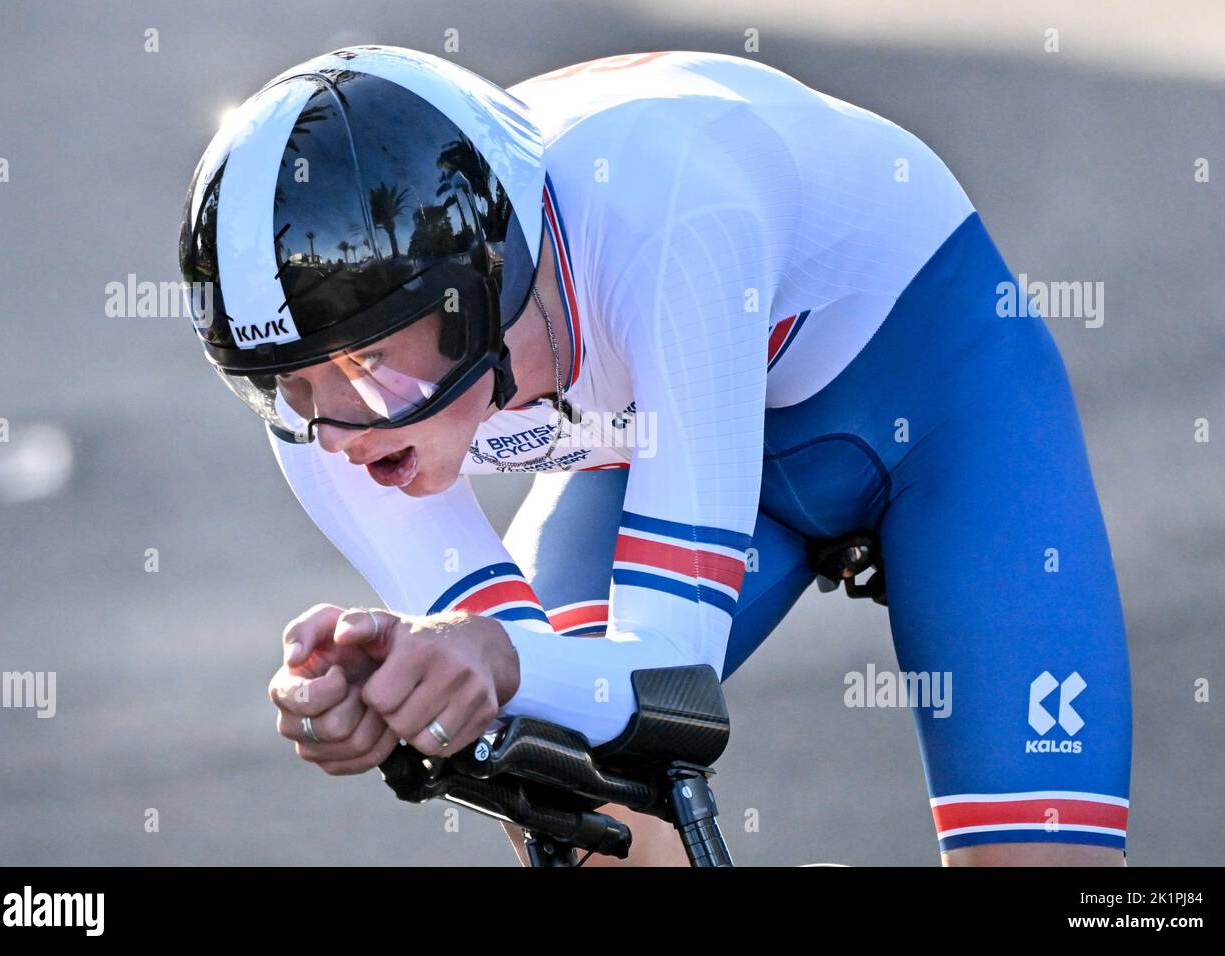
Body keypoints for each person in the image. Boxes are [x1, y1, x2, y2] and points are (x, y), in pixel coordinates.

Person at [178, 46, 1132, 866]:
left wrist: (495, 661)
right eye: (288, 386)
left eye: (371, 365)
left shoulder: (673, 215)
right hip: (662, 428)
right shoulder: (310, 405)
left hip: (933, 399)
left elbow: (674, 680)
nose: (340, 432)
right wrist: (400, 688)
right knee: (555, 773)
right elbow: (526, 689)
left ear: (484, 283)